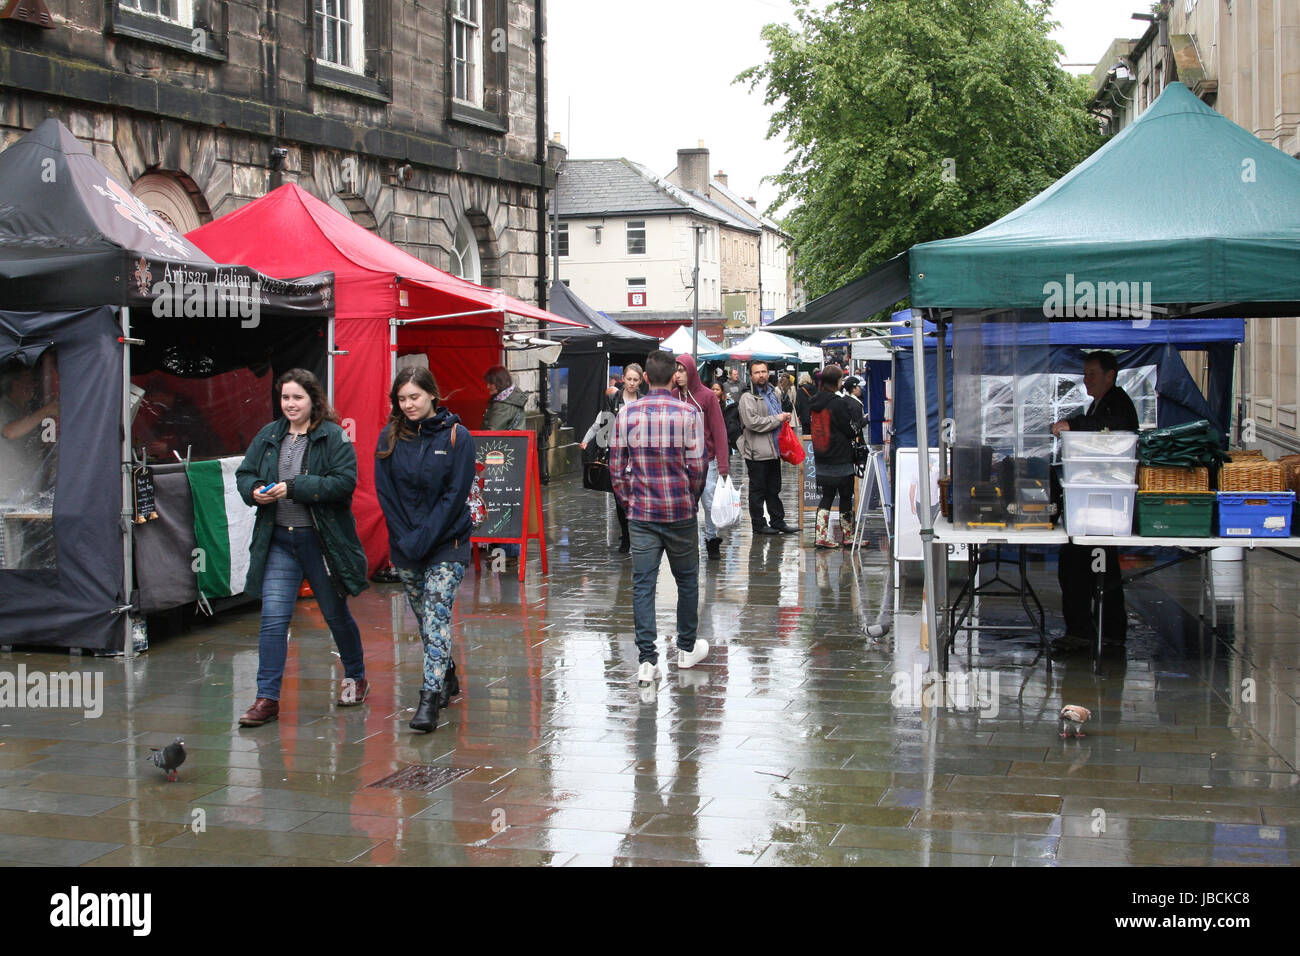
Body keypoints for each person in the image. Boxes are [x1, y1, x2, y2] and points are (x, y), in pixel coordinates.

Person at [235, 369, 369, 727]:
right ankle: (266, 698)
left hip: (320, 541)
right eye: (284, 398)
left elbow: (344, 483)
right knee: (273, 620)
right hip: (279, 540)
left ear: (313, 400)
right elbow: (245, 474)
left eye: (297, 398)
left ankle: (355, 676)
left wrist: (294, 487)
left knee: (334, 614)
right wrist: (254, 491)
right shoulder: (269, 435)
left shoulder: (332, 436)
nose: (290, 404)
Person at [374, 367, 475, 733]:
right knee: (425, 619)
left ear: (432, 394)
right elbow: (386, 493)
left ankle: (429, 698)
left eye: (414, 397)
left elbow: (454, 496)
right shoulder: (390, 437)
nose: (408, 404)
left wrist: (424, 537)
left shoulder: (456, 437)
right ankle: (446, 674)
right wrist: (406, 538)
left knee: (435, 615)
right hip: (405, 544)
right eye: (401, 399)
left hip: (448, 543)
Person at [610, 350, 708, 690]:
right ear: (674, 376)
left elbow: (616, 467)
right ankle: (685, 647)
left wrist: (629, 501)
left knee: (643, 585)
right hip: (679, 510)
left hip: (642, 514)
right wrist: (690, 498)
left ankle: (647, 661)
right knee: (687, 580)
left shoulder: (627, 413)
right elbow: (698, 466)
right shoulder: (689, 413)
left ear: (647, 379)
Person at [1050, 351, 1139, 651]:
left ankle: (1097, 633)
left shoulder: (1118, 403)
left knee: (1092, 568)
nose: (1086, 380)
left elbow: (1111, 426)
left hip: (1105, 504)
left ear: (1109, 375)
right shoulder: (1097, 403)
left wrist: (1072, 426)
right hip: (1093, 502)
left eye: (1091, 374)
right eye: (1084, 374)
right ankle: (1096, 630)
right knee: (1087, 566)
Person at [674, 353, 732, 560]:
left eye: (682, 370)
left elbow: (719, 430)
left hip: (707, 460)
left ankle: (711, 539)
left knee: (708, 501)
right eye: (676, 370)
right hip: (681, 461)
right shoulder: (673, 396)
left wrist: (723, 466)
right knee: (684, 503)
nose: (678, 375)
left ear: (691, 371)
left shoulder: (707, 396)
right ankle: (687, 541)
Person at [581, 363, 643, 552]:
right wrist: (589, 441)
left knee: (637, 495)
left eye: (635, 379)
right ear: (623, 379)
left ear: (641, 381)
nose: (631, 383)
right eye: (629, 379)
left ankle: (636, 533)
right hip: (617, 453)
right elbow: (602, 423)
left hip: (638, 455)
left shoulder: (644, 401)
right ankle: (626, 535)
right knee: (619, 497)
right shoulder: (613, 399)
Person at [737, 360, 797, 535]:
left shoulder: (773, 393)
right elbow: (752, 422)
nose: (761, 375)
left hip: (774, 450)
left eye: (763, 371)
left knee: (774, 489)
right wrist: (777, 419)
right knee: (757, 491)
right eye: (757, 372)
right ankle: (758, 525)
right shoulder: (747, 397)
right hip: (756, 452)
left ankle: (777, 521)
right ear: (751, 376)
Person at [808, 365, 860, 548]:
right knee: (846, 495)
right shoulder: (838, 403)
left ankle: (820, 535)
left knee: (827, 496)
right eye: (840, 380)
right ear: (836, 382)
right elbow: (849, 429)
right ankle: (848, 535)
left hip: (821, 456)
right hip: (840, 456)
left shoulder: (814, 402)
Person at [482, 365, 529, 430]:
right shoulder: (512, 397)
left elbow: (492, 432)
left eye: (490, 383)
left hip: (500, 440)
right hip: (514, 439)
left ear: (499, 382)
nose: (488, 386)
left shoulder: (503, 405)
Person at [713, 382, 742, 455]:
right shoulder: (708, 402)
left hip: (726, 434)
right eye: (713, 389)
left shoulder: (729, 403)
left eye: (717, 389)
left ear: (722, 391)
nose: (715, 391)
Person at [795, 372, 815, 436]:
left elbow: (798, 404)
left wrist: (797, 414)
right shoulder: (815, 389)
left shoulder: (800, 390)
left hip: (804, 415)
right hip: (814, 415)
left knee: (805, 434)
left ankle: (807, 446)